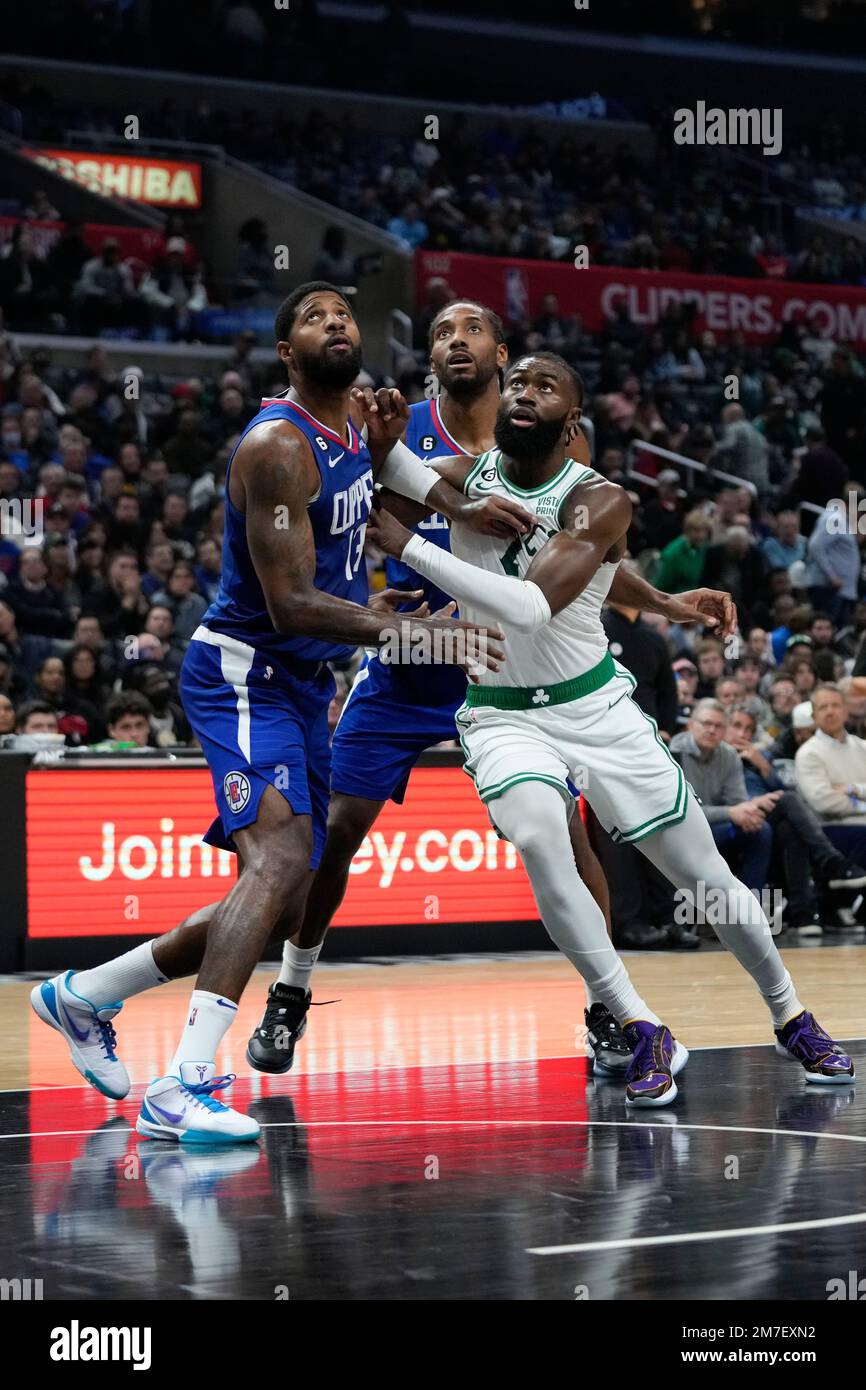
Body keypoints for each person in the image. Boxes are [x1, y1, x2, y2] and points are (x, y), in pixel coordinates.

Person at [31, 281, 527, 1144]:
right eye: (313, 318)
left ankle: (85, 995)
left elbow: (400, 475)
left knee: (287, 897)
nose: (336, 322)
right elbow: (292, 602)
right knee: (281, 859)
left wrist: (464, 510)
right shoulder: (276, 447)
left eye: (344, 313)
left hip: (302, 683)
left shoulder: (361, 425)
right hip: (243, 672)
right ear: (288, 353)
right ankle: (183, 1083)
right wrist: (411, 632)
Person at [367, 352, 855, 1102]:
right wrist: (378, 437)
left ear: (573, 422)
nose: (525, 393)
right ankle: (636, 1019)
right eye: (518, 384)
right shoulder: (469, 476)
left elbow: (536, 601)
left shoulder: (601, 500)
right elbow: (393, 468)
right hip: (503, 715)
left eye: (544, 387)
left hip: (596, 708)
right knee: (537, 831)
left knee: (710, 883)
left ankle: (788, 1011)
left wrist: (412, 549)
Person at [248, 300, 622, 1080]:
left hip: (510, 669)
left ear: (501, 351)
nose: (458, 341)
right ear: (428, 356)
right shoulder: (392, 426)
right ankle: (291, 990)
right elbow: (358, 518)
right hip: (410, 660)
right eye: (443, 333)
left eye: (473, 331)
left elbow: (583, 565)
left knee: (567, 832)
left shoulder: (562, 437)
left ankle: (609, 1010)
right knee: (340, 829)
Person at [725, 705, 866, 935]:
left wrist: (765, 769)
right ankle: (831, 864)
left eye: (749, 729)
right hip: (733, 818)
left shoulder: (761, 757)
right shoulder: (721, 756)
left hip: (765, 817)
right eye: (737, 726)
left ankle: (805, 914)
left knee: (789, 826)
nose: (743, 734)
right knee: (789, 808)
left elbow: (789, 798)